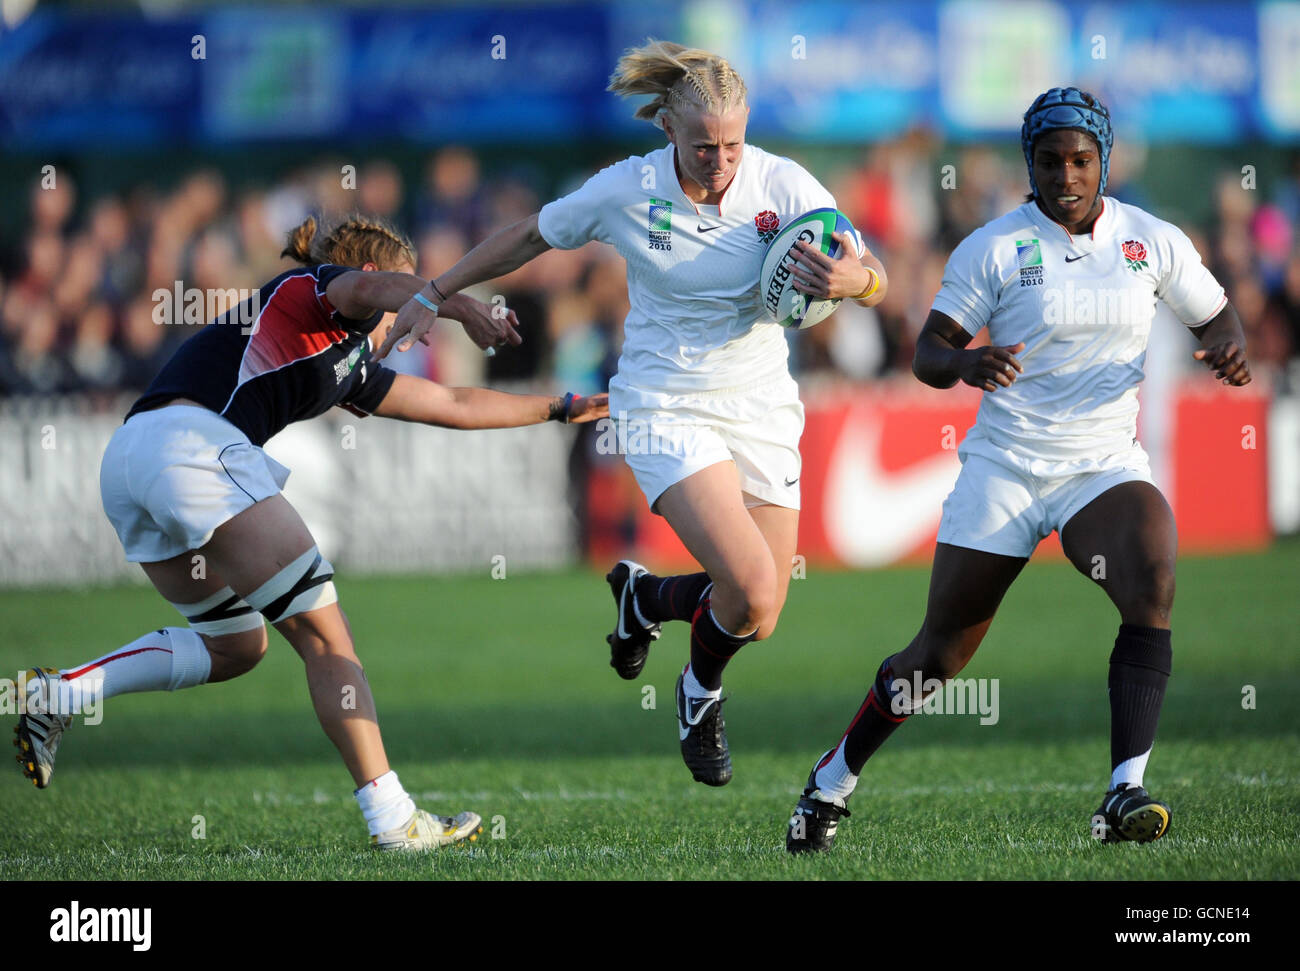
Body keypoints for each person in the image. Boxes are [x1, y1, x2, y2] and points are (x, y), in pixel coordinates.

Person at [376, 40, 888, 787]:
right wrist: (434, 291)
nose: (720, 160)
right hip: (662, 398)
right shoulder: (627, 189)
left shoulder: (787, 183)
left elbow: (874, 278)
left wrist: (855, 281)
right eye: (704, 145)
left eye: (734, 143)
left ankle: (644, 596)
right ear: (668, 132)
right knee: (746, 585)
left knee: (762, 613)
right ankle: (699, 693)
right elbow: (525, 236)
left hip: (762, 403)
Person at [12, 214, 607, 851]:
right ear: (380, 277)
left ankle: (63, 693)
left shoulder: (349, 363)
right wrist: (459, 306)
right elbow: (379, 292)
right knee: (328, 641)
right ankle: (393, 819)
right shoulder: (317, 291)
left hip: (132, 461)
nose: (404, 324)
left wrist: (555, 408)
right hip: (190, 451)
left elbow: (451, 405)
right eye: (405, 293)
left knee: (236, 647)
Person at [785, 88, 1252, 853]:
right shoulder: (995, 247)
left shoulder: (1151, 240)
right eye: (1050, 160)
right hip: (1006, 466)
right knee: (939, 654)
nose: (1067, 175)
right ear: (1028, 164)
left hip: (1100, 463)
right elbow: (928, 352)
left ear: (1103, 161)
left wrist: (1230, 347)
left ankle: (1123, 789)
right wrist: (968, 361)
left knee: (1154, 575)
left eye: (1082, 160)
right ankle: (831, 780)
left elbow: (1216, 313)